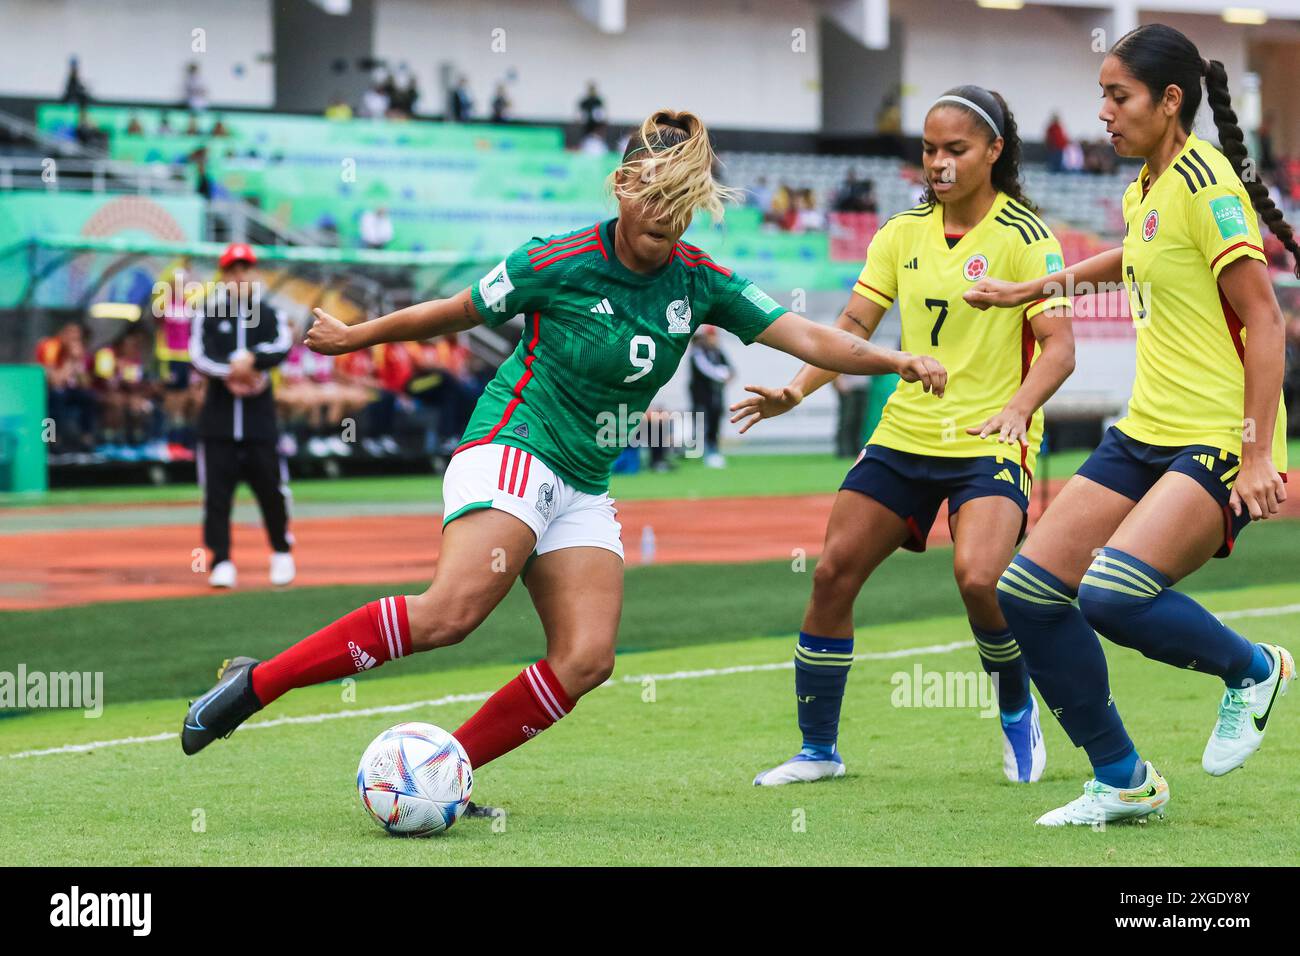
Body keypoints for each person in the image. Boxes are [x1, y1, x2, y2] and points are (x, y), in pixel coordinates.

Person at [178, 109, 948, 792]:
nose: (667, 218)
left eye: (682, 204)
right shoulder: (557, 260)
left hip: (583, 479)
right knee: (450, 615)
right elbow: (454, 311)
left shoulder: (700, 280)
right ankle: (256, 684)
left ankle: (441, 776)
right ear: (620, 186)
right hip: (515, 442)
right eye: (654, 197)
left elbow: (806, 335)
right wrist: (356, 337)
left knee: (586, 660)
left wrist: (896, 359)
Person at [965, 23, 1298, 826]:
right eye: (1102, 97)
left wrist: (1258, 454)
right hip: (1146, 428)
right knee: (1027, 594)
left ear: (1169, 100)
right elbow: (1136, 256)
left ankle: (1253, 669)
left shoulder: (1207, 182)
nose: (1104, 113)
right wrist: (1035, 288)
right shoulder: (1144, 186)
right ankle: (1122, 778)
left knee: (1112, 595)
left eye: (1119, 97)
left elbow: (1266, 320)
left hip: (1218, 434)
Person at [738, 85, 1075, 787]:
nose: (939, 162)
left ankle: (1017, 709)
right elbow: (853, 328)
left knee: (981, 579)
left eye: (956, 149)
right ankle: (819, 751)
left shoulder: (1027, 238)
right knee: (832, 573)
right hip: (905, 434)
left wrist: (1019, 410)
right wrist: (795, 391)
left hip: (988, 439)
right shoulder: (899, 233)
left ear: (994, 151)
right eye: (928, 149)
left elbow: (1060, 349)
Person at [189, 242, 296, 590]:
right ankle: (221, 560)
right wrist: (232, 371)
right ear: (223, 276)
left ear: (254, 273)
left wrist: (253, 361)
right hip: (218, 424)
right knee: (216, 497)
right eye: (232, 271)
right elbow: (199, 355)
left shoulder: (270, 313)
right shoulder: (209, 313)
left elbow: (281, 345)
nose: (239, 277)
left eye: (245, 270)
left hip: (259, 423)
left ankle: (281, 551)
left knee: (271, 490)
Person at [688, 325, 732, 468]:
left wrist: (727, 374)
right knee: (702, 422)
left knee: (715, 421)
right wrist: (721, 374)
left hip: (716, 394)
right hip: (701, 395)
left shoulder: (718, 352)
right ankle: (703, 451)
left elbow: (730, 369)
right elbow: (705, 369)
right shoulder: (698, 352)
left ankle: (713, 450)